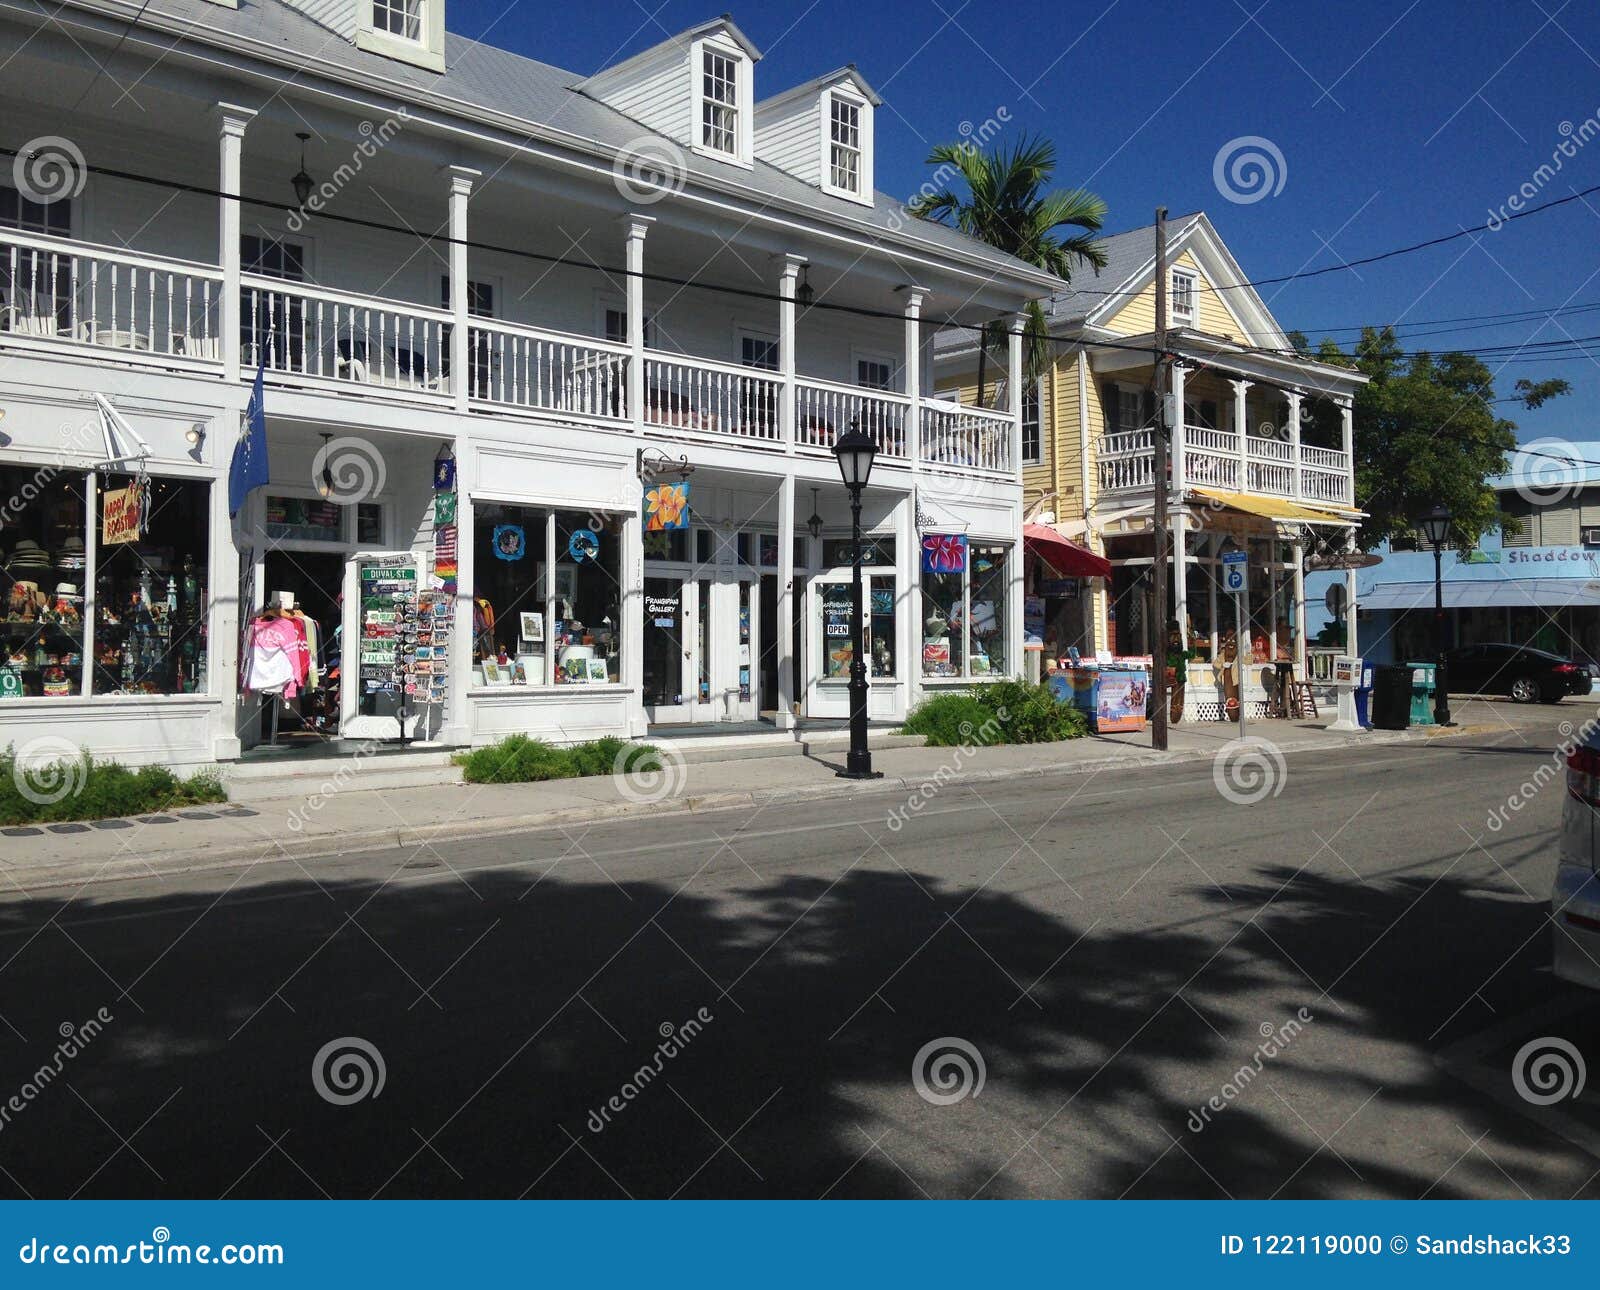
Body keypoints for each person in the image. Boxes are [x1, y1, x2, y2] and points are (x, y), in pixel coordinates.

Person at [1166, 619, 1195, 724]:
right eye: (1173, 637)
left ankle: (1177, 715)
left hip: (1181, 678)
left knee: (1180, 699)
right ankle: (1173, 716)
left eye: (1178, 637)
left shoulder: (1182, 654)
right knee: (1175, 698)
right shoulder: (1168, 654)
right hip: (1173, 678)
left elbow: (1192, 654)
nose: (1176, 640)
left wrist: (1192, 643)